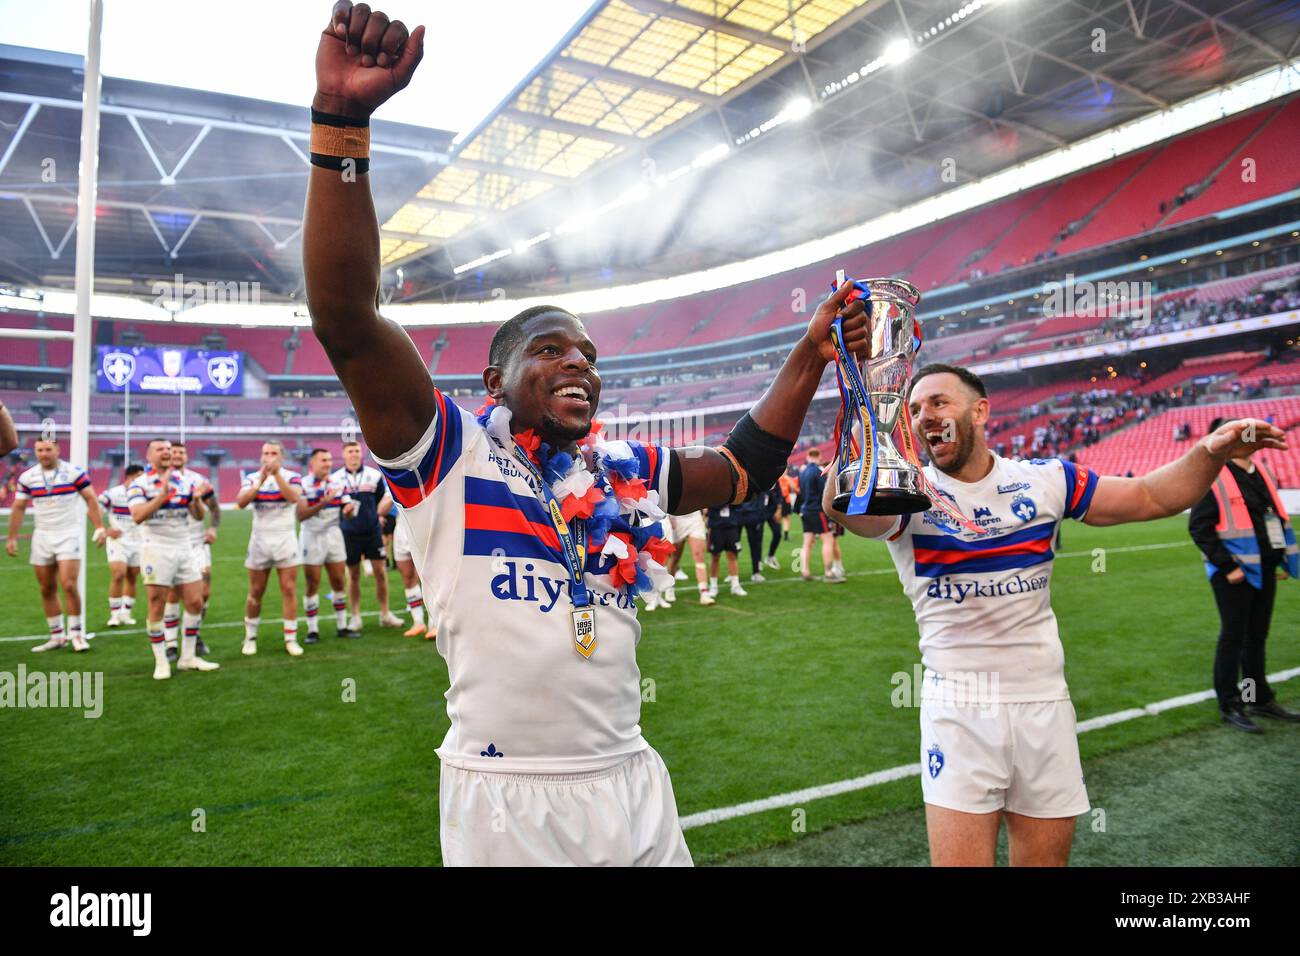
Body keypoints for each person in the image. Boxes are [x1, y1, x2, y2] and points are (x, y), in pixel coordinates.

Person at [302, 0, 869, 866]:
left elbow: (744, 469)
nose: (580, 364)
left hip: (632, 781)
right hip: (507, 799)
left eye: (591, 355)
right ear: (494, 381)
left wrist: (810, 353)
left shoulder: (625, 469)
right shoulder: (449, 450)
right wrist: (342, 125)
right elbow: (346, 317)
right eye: (551, 349)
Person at [827, 362, 1287, 867]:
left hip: (1044, 705)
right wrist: (862, 434)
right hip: (958, 712)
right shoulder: (908, 496)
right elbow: (844, 509)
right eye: (913, 409)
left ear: (980, 410)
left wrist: (1210, 449)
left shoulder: (1045, 480)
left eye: (938, 402)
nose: (923, 416)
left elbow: (1153, 496)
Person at [1189, 417, 1300, 732]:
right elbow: (1199, 528)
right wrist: (1230, 567)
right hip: (1234, 574)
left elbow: (1269, 518)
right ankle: (1230, 703)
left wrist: (1277, 560)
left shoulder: (1261, 471)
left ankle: (1257, 697)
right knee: (1233, 637)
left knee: (1256, 637)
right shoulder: (1214, 476)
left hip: (1263, 568)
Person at [128, 439, 218, 679]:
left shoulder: (185, 481)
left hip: (184, 546)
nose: (166, 453)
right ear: (149, 455)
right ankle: (161, 661)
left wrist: (197, 500)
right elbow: (137, 516)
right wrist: (161, 496)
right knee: (157, 604)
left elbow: (198, 516)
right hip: (156, 548)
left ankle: (187, 658)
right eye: (160, 449)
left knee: (195, 602)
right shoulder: (140, 484)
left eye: (168, 449)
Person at [6, 438, 106, 652]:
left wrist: (98, 526)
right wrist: (12, 537)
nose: (44, 454)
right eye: (39, 450)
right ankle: (56, 636)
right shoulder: (28, 477)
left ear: (58, 450)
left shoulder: (74, 473)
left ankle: (77, 635)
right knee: (46, 588)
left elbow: (91, 499)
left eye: (48, 449)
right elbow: (19, 507)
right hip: (42, 536)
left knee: (69, 585)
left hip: (69, 534)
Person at [237, 441, 305, 657]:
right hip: (259, 541)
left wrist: (276, 476)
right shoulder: (251, 478)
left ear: (281, 457)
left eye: (274, 453)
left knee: (288, 588)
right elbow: (241, 502)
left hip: (285, 538)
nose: (269, 457)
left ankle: (290, 638)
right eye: (266, 453)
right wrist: (260, 482)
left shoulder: (292, 476)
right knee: (256, 591)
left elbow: (294, 497)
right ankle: (250, 637)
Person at [333, 440, 402, 632]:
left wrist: (378, 515)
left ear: (360, 453)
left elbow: (382, 499)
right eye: (350, 451)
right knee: (353, 576)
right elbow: (334, 505)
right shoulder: (336, 478)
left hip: (373, 532)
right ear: (344, 454)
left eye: (356, 450)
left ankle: (385, 614)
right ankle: (355, 616)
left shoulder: (373, 475)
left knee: (380, 573)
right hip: (349, 533)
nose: (354, 454)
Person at [164, 442, 219, 659]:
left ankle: (193, 634)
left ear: (187, 456)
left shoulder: (199, 481)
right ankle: (170, 644)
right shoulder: (159, 481)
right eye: (174, 452)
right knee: (172, 593)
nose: (177, 455)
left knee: (203, 593)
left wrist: (213, 528)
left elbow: (214, 508)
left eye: (181, 452)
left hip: (197, 544)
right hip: (171, 543)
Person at [297, 447, 358, 642]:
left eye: (330, 460)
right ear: (312, 463)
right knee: (312, 583)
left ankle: (342, 626)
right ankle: (312, 630)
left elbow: (346, 509)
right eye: (323, 460)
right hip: (311, 535)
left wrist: (349, 510)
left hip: (334, 534)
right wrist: (324, 502)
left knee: (339, 581)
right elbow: (301, 515)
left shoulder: (339, 483)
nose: (328, 464)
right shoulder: (303, 484)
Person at [99, 462, 144, 627]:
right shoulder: (114, 493)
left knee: (132, 577)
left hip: (138, 540)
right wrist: (104, 529)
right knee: (118, 574)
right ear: (130, 477)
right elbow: (95, 508)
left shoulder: (144, 495)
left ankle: (126, 613)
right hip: (118, 540)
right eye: (140, 476)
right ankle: (114, 615)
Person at [798, 448, 844, 582]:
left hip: (805, 509)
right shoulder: (819, 472)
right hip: (817, 510)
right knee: (828, 540)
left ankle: (805, 571)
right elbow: (826, 492)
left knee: (807, 542)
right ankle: (829, 573)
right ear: (819, 456)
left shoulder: (803, 472)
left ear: (807, 456)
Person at [660, 510, 714, 607]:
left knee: (699, 555)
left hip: (695, 518)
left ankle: (704, 592)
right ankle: (670, 587)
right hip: (677, 518)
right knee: (675, 556)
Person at [391, 508, 431, 638]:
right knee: (407, 576)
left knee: (428, 576)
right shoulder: (390, 489)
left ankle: (435, 623)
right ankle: (418, 623)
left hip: (422, 525)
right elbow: (382, 509)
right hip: (401, 531)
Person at [705, 503, 748, 597]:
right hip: (716, 526)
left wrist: (731, 501)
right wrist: (726, 500)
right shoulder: (713, 492)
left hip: (731, 525)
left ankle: (735, 585)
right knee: (715, 556)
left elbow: (739, 504)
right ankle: (713, 586)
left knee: (732, 555)